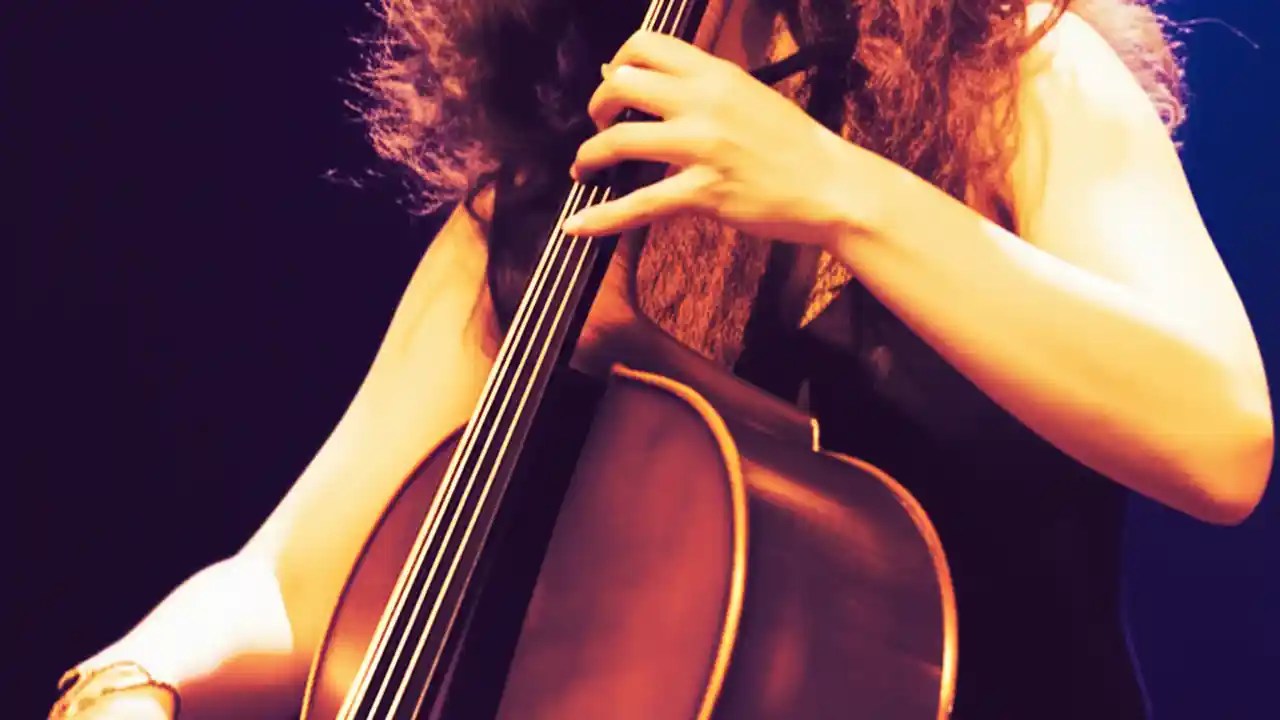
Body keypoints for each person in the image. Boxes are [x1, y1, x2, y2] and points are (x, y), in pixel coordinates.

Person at [50, 0, 1273, 718]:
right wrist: (125, 683)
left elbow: (1217, 439)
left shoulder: (1013, 68)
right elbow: (285, 582)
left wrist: (841, 194)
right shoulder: (537, 197)